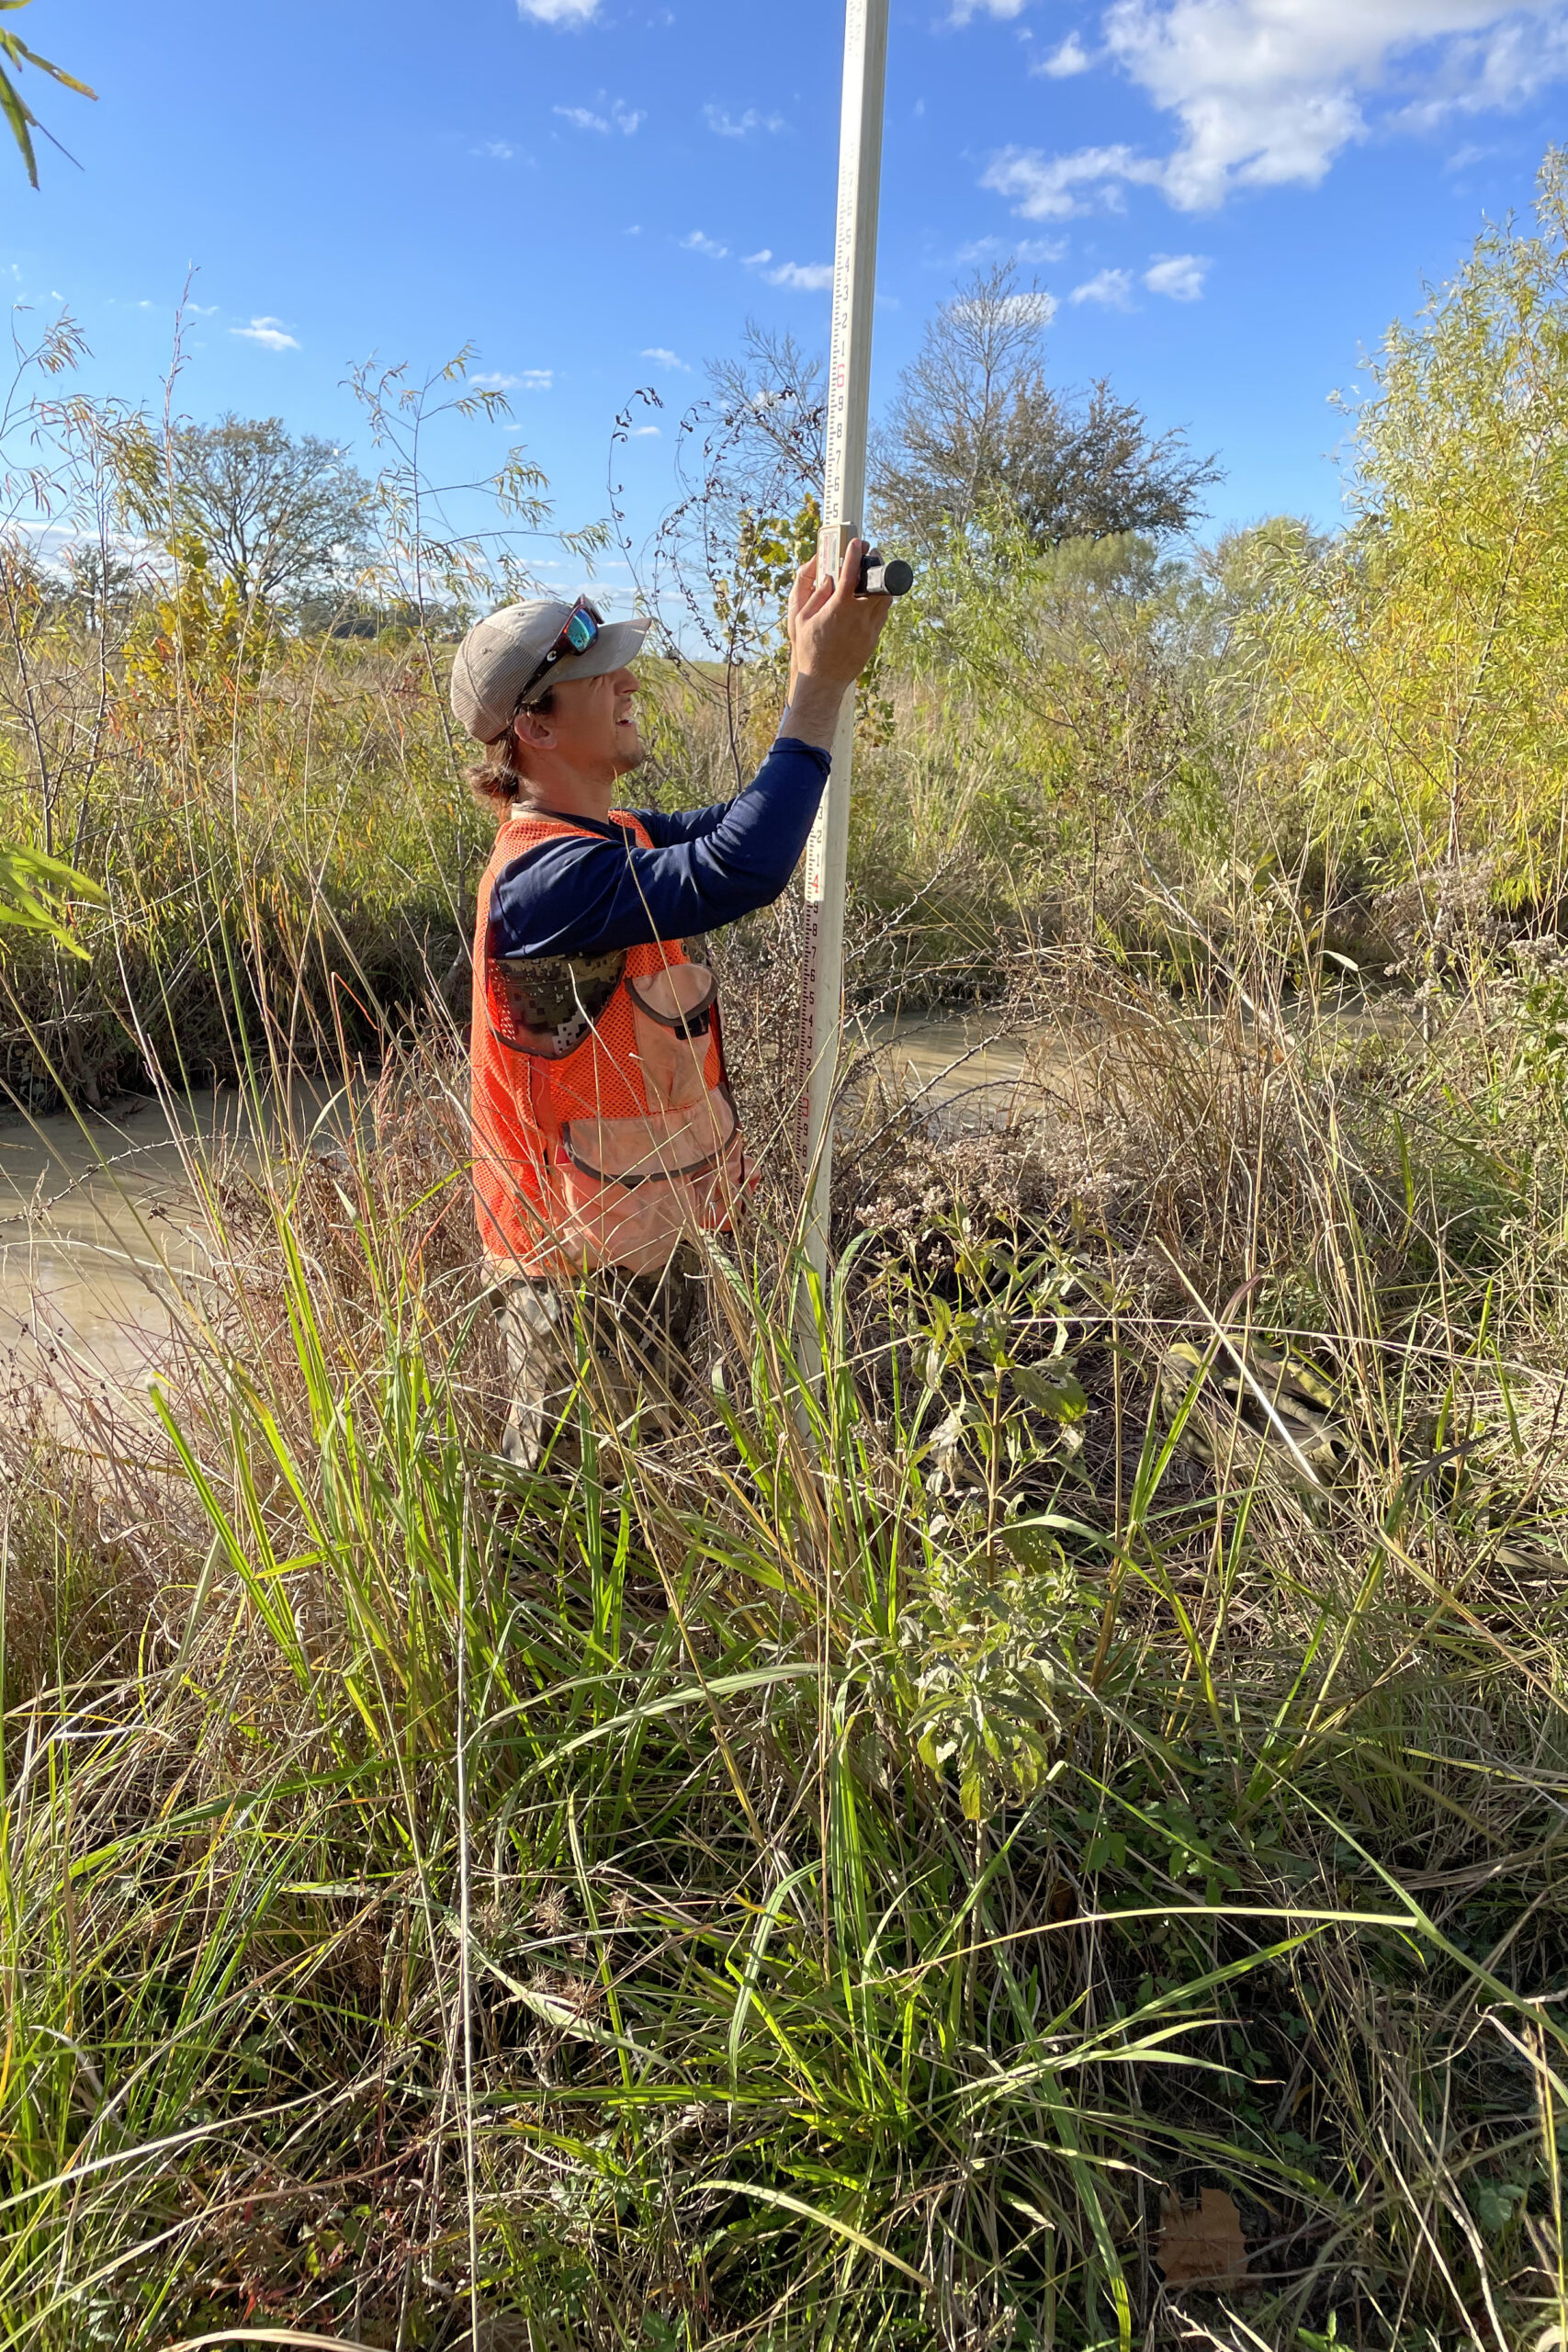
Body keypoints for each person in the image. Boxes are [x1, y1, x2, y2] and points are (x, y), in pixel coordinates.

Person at [454, 540, 892, 1469]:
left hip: (640, 1239)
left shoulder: (612, 835)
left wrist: (808, 672)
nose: (629, 683)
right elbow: (745, 869)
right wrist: (813, 692)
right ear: (533, 725)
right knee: (573, 1521)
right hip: (574, 1275)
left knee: (644, 1493)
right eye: (601, 673)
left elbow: (748, 825)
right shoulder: (546, 882)